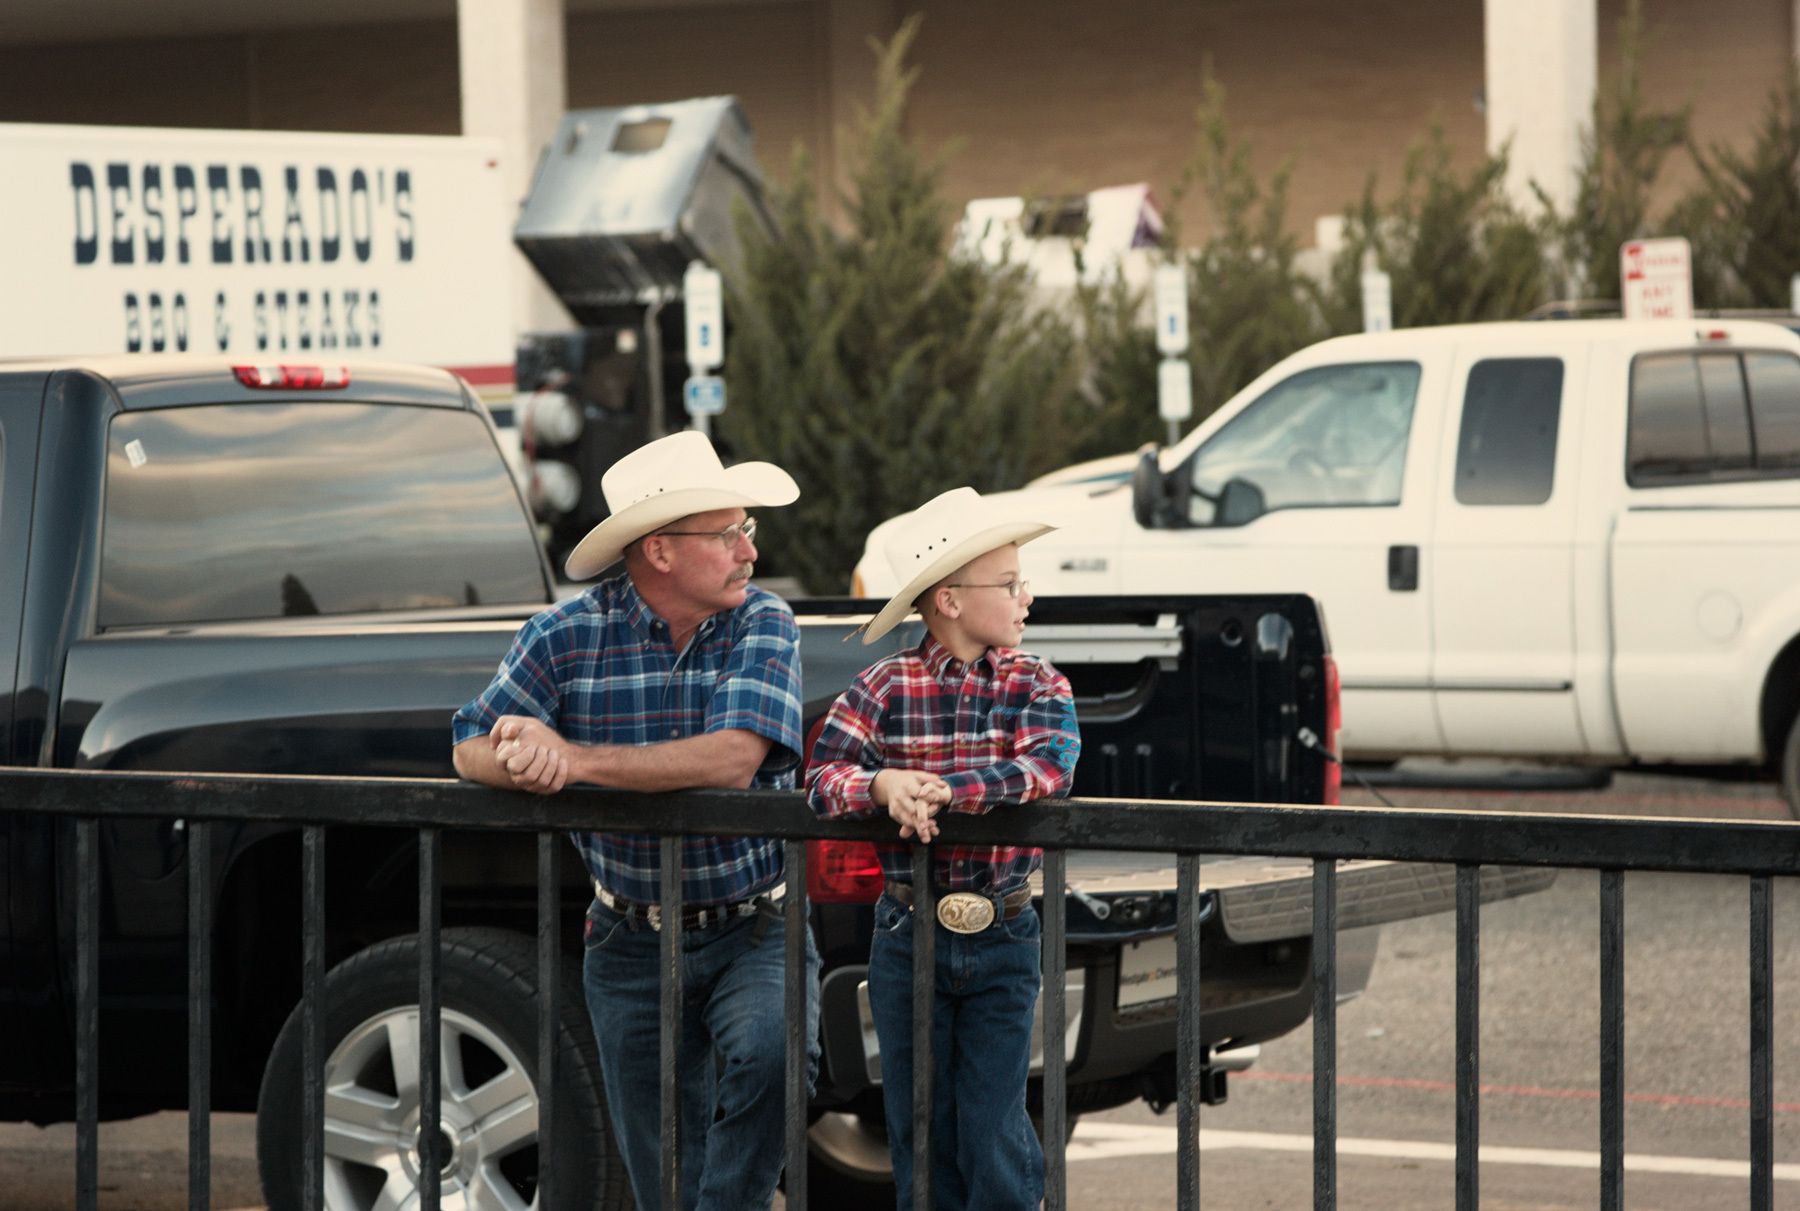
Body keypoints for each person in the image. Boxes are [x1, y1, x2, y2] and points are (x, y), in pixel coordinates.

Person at [451, 430, 819, 1211]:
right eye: (729, 533)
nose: (749, 551)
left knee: (775, 1056)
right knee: (661, 1170)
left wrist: (573, 759)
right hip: (628, 940)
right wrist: (521, 754)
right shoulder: (564, 634)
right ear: (659, 550)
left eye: (746, 529)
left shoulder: (763, 621)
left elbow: (731, 759)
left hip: (755, 922)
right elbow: (467, 745)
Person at [805, 486, 1080, 1211]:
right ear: (950, 599)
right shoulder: (883, 685)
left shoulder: (1037, 683)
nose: (1028, 595)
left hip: (1004, 929)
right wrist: (884, 783)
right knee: (920, 1129)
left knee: (991, 1125)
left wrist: (945, 791)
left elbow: (1047, 768)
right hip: (908, 932)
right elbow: (824, 772)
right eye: (1011, 582)